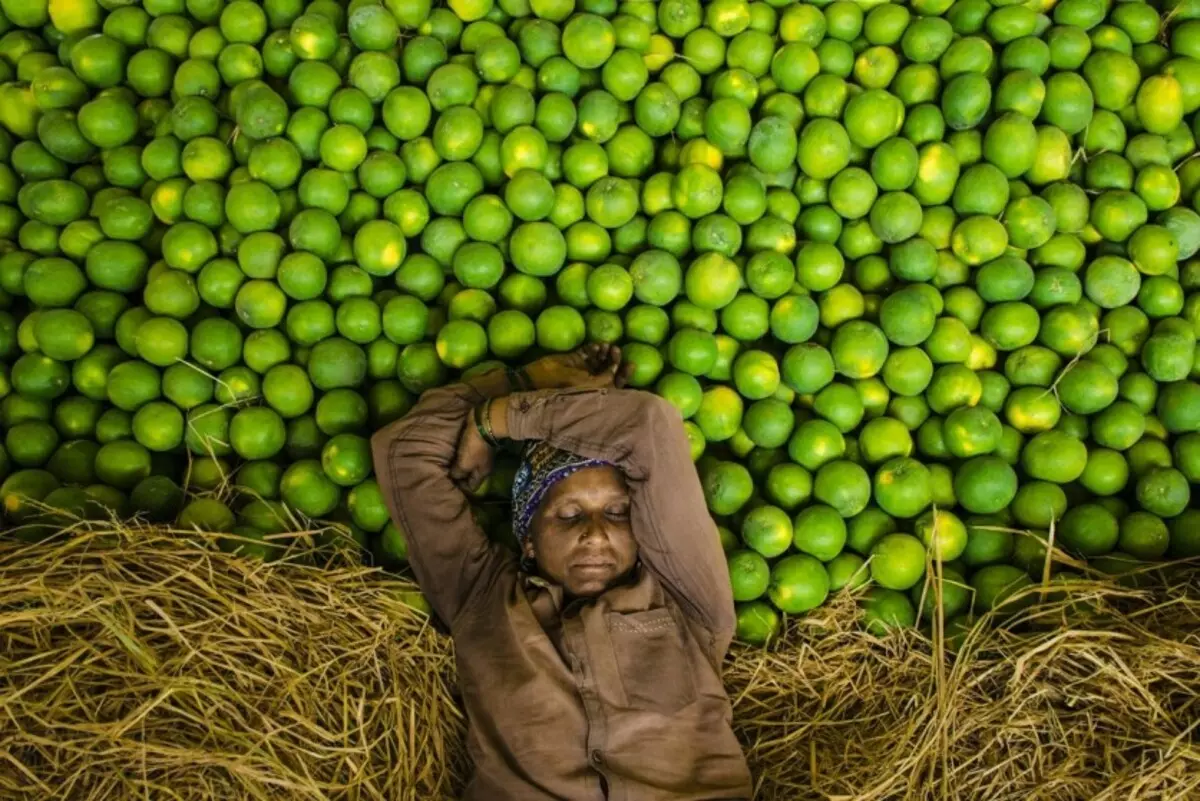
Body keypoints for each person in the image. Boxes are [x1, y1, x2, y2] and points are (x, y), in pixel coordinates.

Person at [371, 344, 753, 801]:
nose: (596, 534)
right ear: (527, 538)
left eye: (615, 513)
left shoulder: (685, 597)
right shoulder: (481, 595)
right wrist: (525, 379)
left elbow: (650, 425)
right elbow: (402, 450)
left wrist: (496, 419)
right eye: (570, 516)